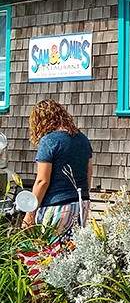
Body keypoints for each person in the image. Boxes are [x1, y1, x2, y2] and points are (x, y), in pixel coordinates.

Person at [23, 99, 93, 234]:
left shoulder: (49, 141)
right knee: (72, 251)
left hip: (57, 207)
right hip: (82, 203)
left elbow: (42, 181)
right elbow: (88, 172)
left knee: (51, 251)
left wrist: (30, 213)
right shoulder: (82, 139)